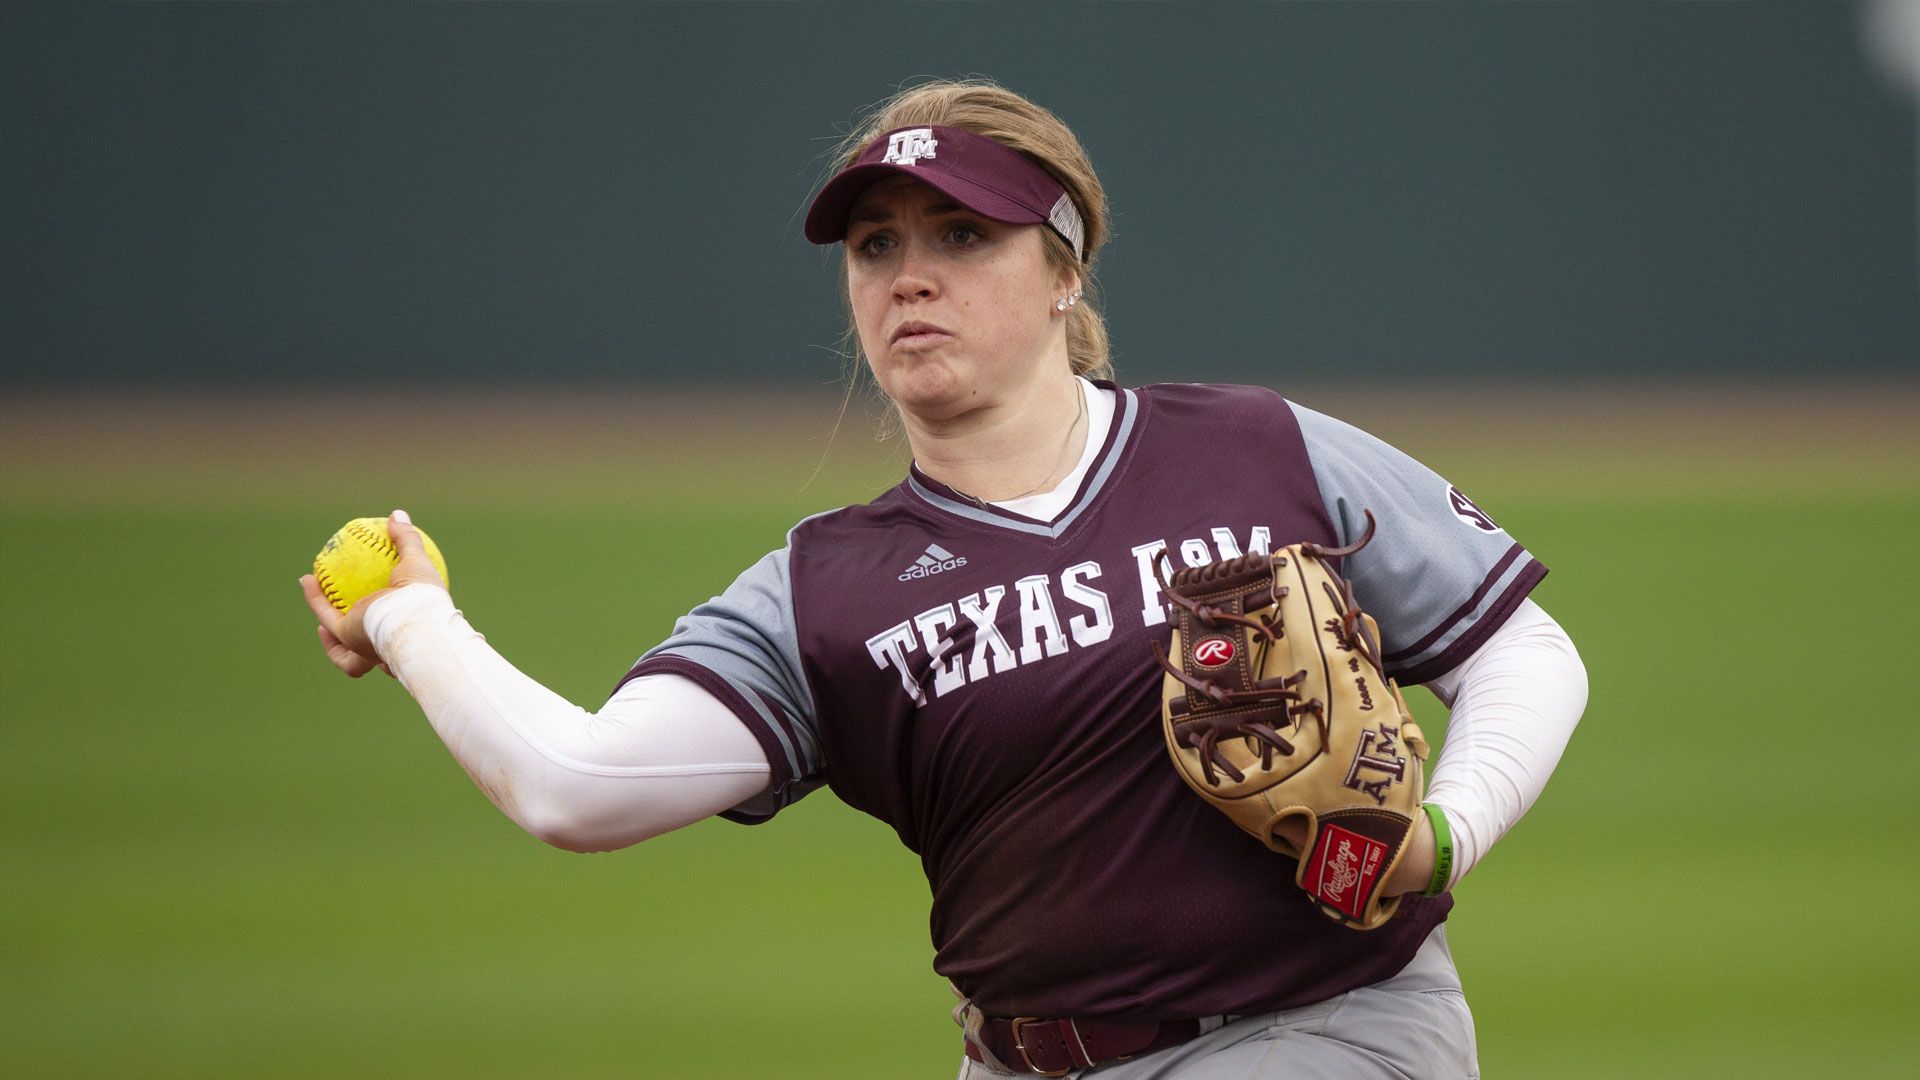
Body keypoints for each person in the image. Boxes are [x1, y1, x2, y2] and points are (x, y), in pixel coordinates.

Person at [299, 79, 1587, 1079]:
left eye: (964, 234)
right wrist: (411, 613)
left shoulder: (1255, 451)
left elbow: (1523, 651)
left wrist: (1444, 834)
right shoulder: (825, 590)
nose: (909, 272)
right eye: (874, 245)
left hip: (1328, 1031)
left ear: (1066, 266)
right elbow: (577, 786)